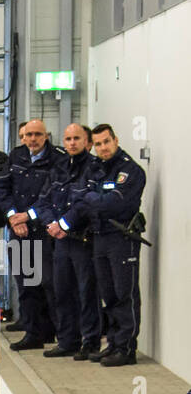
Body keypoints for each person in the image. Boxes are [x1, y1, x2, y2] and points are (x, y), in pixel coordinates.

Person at [55, 123, 147, 366]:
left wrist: (93, 199)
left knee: (124, 294)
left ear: (116, 140)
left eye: (106, 142)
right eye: (98, 144)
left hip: (121, 238)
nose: (103, 148)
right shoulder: (96, 169)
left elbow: (114, 204)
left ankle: (127, 349)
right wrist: (94, 200)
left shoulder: (130, 170)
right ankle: (114, 343)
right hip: (99, 237)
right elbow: (80, 199)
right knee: (108, 295)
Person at [0, 119, 66, 349]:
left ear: (46, 136)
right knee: (26, 285)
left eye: (38, 134)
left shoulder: (58, 158)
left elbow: (55, 194)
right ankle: (33, 334)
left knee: (49, 284)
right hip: (19, 229)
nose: (33, 139)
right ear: (22, 137)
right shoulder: (15, 156)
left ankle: (58, 335)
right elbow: (3, 188)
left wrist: (29, 216)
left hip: (45, 230)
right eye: (29, 135)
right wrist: (13, 216)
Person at [41, 124, 103, 359]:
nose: (72, 143)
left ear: (87, 142)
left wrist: (63, 224)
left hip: (82, 239)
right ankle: (68, 340)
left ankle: (91, 341)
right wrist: (50, 224)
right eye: (67, 139)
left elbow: (85, 202)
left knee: (86, 291)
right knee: (62, 291)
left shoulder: (94, 168)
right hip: (60, 241)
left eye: (77, 138)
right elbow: (43, 201)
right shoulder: (58, 169)